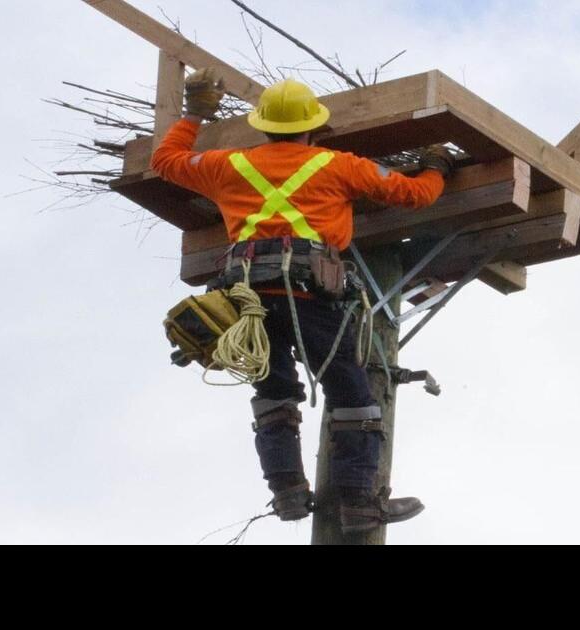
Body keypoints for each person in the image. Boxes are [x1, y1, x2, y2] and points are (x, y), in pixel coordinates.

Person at [151, 68, 455, 534]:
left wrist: (195, 113)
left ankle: (288, 494)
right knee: (354, 398)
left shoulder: (228, 165)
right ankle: (359, 504)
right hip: (310, 296)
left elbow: (168, 162)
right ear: (314, 126)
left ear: (261, 126)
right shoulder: (338, 165)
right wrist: (437, 165)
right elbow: (415, 195)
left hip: (246, 301)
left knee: (273, 395)